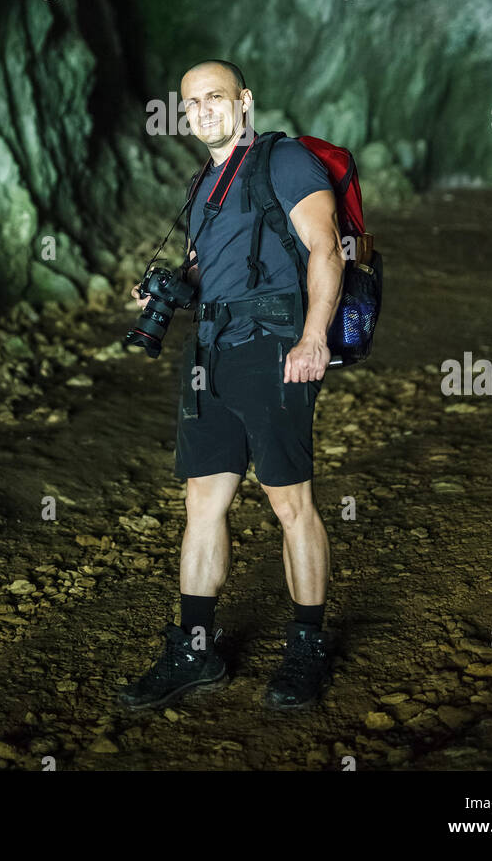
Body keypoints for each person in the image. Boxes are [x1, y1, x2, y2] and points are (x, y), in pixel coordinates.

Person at [118, 60, 346, 710]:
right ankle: (195, 649)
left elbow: (325, 249)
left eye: (215, 97)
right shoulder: (205, 186)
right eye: (191, 104)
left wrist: (313, 338)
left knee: (288, 503)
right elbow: (209, 273)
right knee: (202, 504)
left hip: (274, 347)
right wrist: (169, 290)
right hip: (210, 354)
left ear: (244, 101)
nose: (203, 111)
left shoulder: (286, 162)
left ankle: (306, 648)